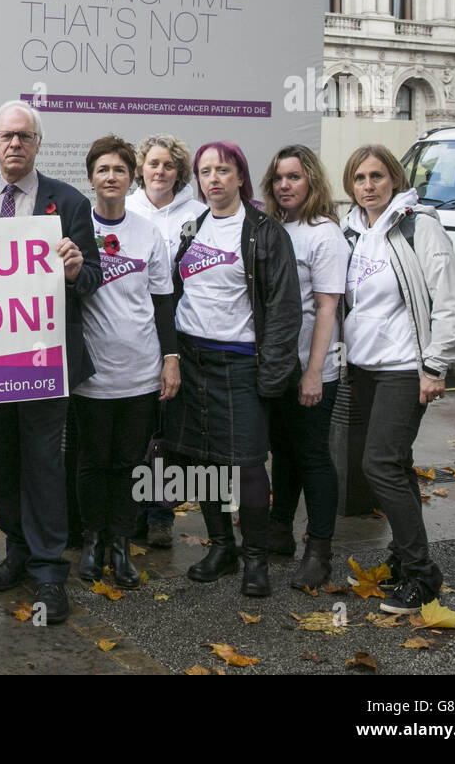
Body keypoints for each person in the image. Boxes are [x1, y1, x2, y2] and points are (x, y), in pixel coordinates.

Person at [0, 100, 101, 624]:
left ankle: (47, 570)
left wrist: (74, 268)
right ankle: (16, 550)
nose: (15, 144)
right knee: (0, 459)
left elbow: (91, 280)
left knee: (43, 463)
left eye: (25, 136)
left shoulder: (68, 202)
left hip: (46, 360)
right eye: (6, 136)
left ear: (37, 144)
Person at [340, 145, 455, 614]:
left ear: (395, 179)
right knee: (396, 466)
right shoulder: (353, 231)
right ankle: (404, 560)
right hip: (364, 367)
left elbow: (450, 301)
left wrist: (434, 366)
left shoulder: (418, 226)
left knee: (378, 465)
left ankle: (423, 575)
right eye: (360, 178)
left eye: (377, 176)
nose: (368, 185)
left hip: (406, 367)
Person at [161, 141, 301, 597]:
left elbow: (283, 309)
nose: (214, 179)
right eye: (205, 172)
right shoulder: (191, 228)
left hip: (240, 363)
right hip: (193, 360)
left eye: (223, 170)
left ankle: (254, 558)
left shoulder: (265, 231)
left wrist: (272, 376)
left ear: (241, 176)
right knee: (204, 462)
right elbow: (177, 293)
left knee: (246, 466)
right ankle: (221, 547)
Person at [72, 135, 179, 588]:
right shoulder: (77, 229)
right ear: (91, 178)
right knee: (93, 461)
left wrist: (170, 358)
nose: (111, 177)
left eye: (119, 170)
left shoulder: (147, 231)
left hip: (140, 369)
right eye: (103, 170)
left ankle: (121, 544)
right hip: (93, 373)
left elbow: (162, 301)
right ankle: (93, 541)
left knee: (130, 462)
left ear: (130, 177)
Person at [260, 145, 347, 590]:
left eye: (293, 177)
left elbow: (328, 307)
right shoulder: (275, 228)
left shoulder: (323, 233)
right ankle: (278, 533)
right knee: (286, 452)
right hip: (278, 364)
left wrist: (313, 372)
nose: (284, 185)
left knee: (313, 457)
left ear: (311, 180)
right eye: (278, 178)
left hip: (312, 367)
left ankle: (319, 552)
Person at [124, 133, 205, 549]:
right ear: (141, 167)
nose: (160, 171)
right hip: (132, 331)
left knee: (167, 428)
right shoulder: (124, 207)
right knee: (135, 426)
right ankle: (129, 512)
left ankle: (160, 513)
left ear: (180, 172)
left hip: (181, 330)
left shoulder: (199, 213)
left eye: (169, 165)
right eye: (153, 163)